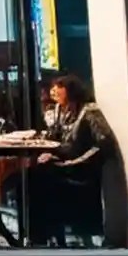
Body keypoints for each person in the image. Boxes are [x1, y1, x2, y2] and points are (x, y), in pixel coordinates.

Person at [28, 74, 115, 245]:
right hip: (63, 164)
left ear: (71, 90)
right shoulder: (61, 110)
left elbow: (104, 144)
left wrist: (72, 163)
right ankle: (43, 236)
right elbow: (58, 140)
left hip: (82, 169)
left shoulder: (89, 111)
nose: (53, 91)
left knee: (40, 179)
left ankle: (45, 235)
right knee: (34, 174)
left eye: (58, 87)